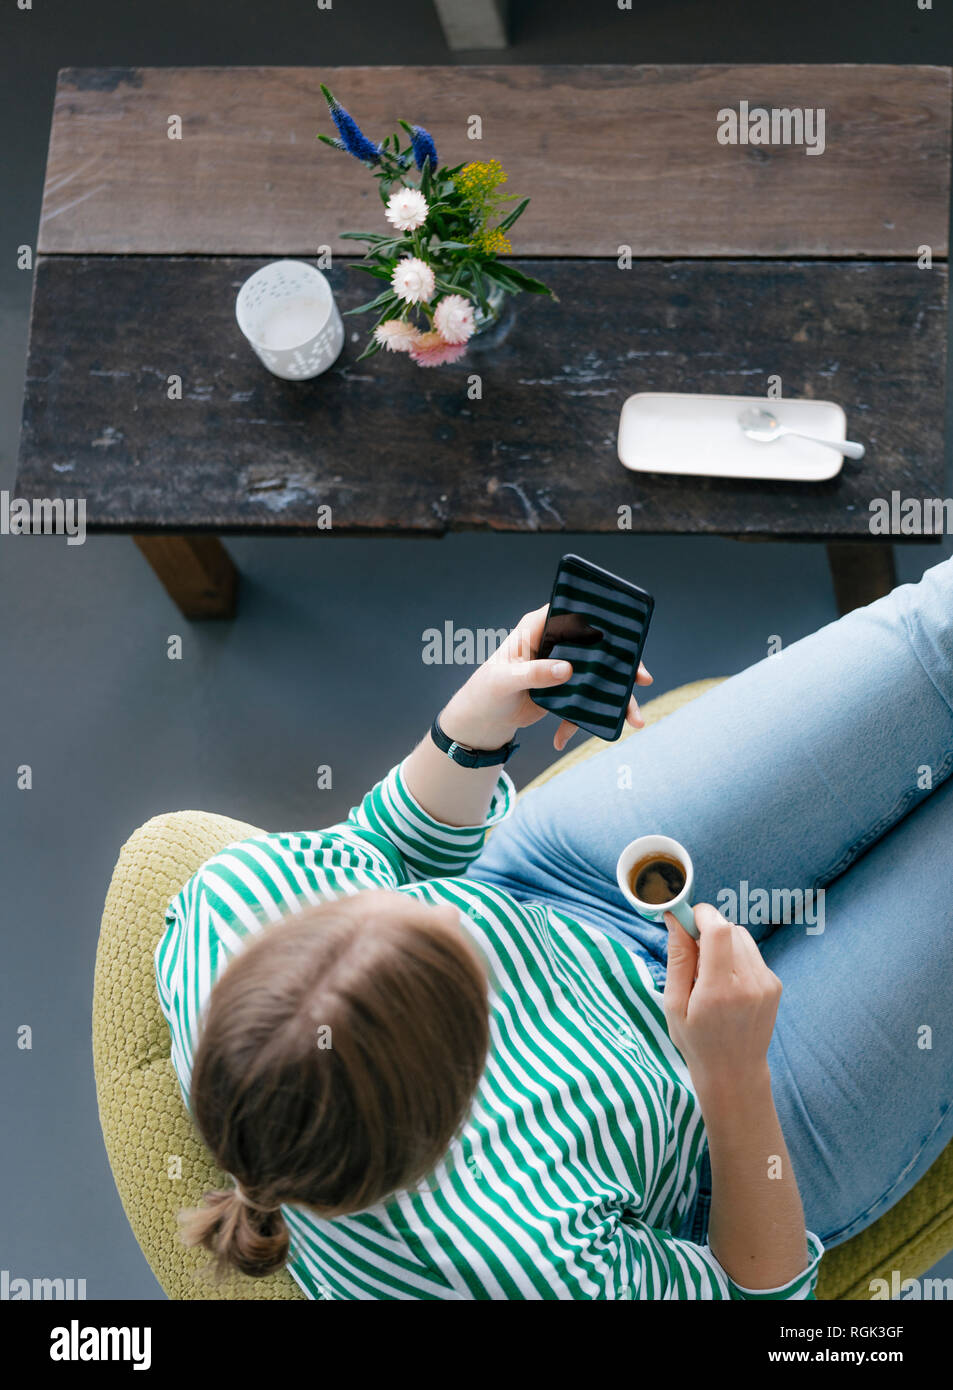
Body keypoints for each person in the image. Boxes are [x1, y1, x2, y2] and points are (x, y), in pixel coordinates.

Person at [157, 556, 953, 1300]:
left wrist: (467, 731)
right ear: (461, 1096)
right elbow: (755, 1294)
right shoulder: (519, 1269)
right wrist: (734, 1076)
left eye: (425, 909)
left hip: (553, 885)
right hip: (725, 1125)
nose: (435, 901)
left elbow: (384, 846)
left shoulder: (232, 908)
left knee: (933, 633)